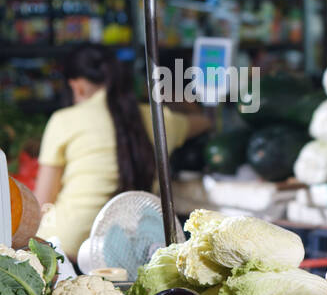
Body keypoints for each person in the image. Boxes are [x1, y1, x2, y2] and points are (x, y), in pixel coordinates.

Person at [34, 44, 207, 264]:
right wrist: (175, 97)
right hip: (131, 255)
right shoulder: (159, 119)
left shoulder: (63, 120)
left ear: (76, 87)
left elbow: (42, 202)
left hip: (66, 250)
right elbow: (204, 122)